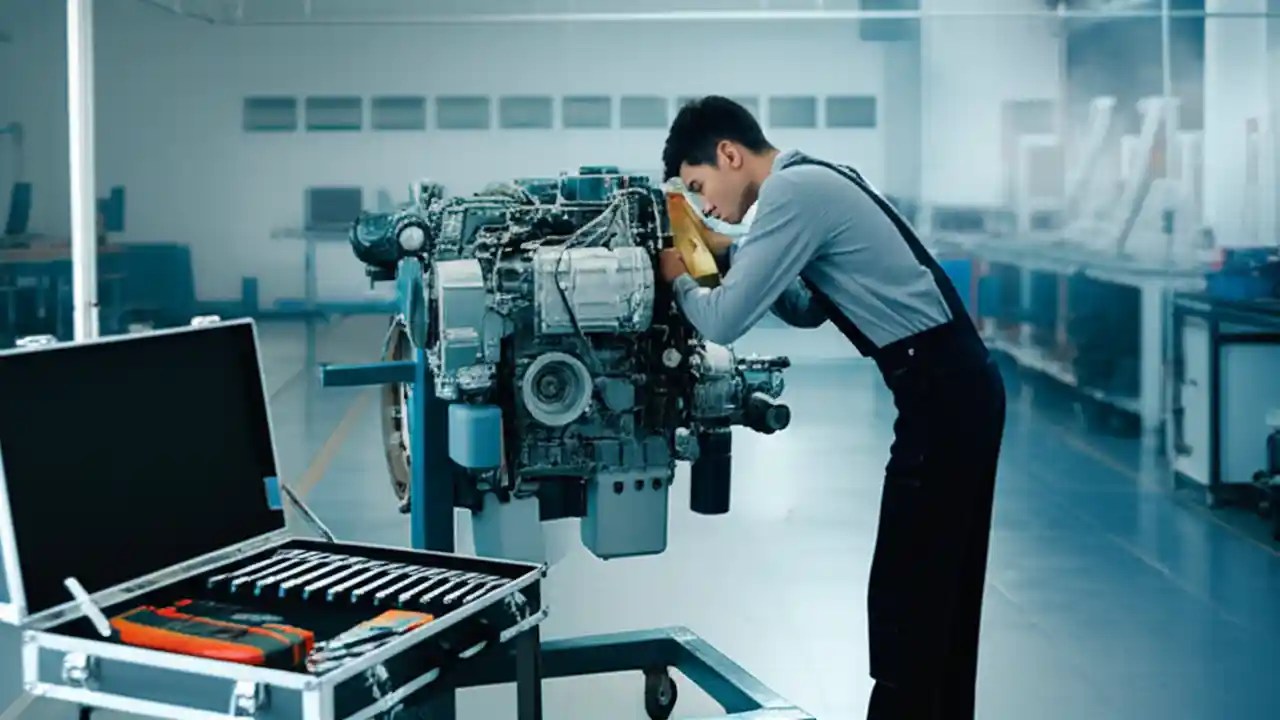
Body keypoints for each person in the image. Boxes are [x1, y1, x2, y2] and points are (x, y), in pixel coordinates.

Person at [659, 95, 1007, 719]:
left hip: (942, 393)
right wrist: (729, 255)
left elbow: (723, 320)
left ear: (729, 154)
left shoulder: (791, 193)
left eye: (699, 186)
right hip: (955, 388)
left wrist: (678, 275)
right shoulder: (819, 176)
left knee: (909, 595)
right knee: (941, 596)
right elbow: (806, 306)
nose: (704, 206)